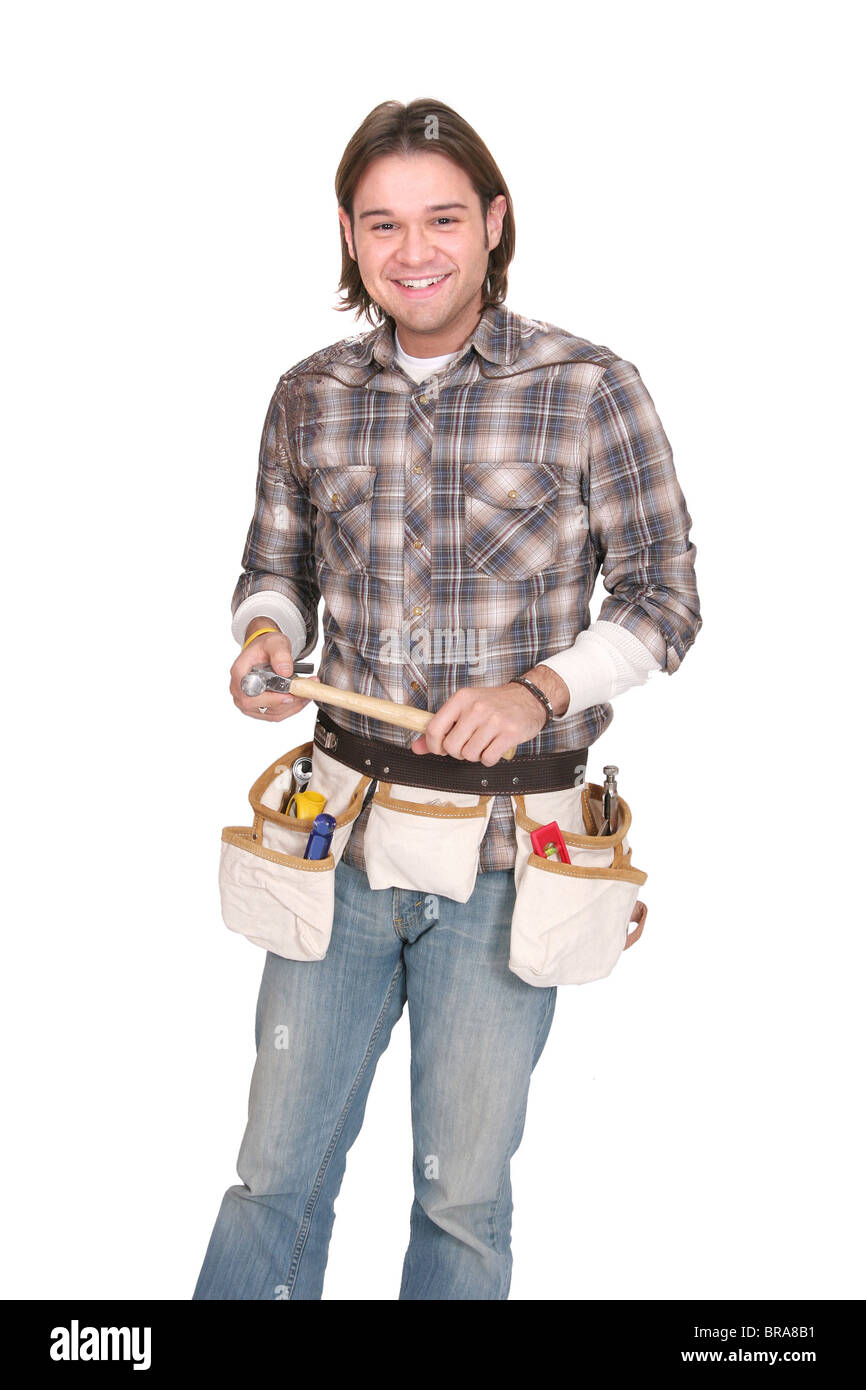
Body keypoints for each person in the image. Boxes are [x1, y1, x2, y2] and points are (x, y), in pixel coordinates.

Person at [193, 97, 701, 1301]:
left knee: (460, 1196)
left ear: (492, 224)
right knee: (274, 1171)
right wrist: (265, 636)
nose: (412, 251)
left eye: (440, 219)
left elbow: (662, 602)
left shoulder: (589, 386)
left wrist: (538, 691)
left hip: (507, 855)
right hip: (337, 834)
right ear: (349, 235)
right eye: (383, 224)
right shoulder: (308, 394)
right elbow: (275, 571)